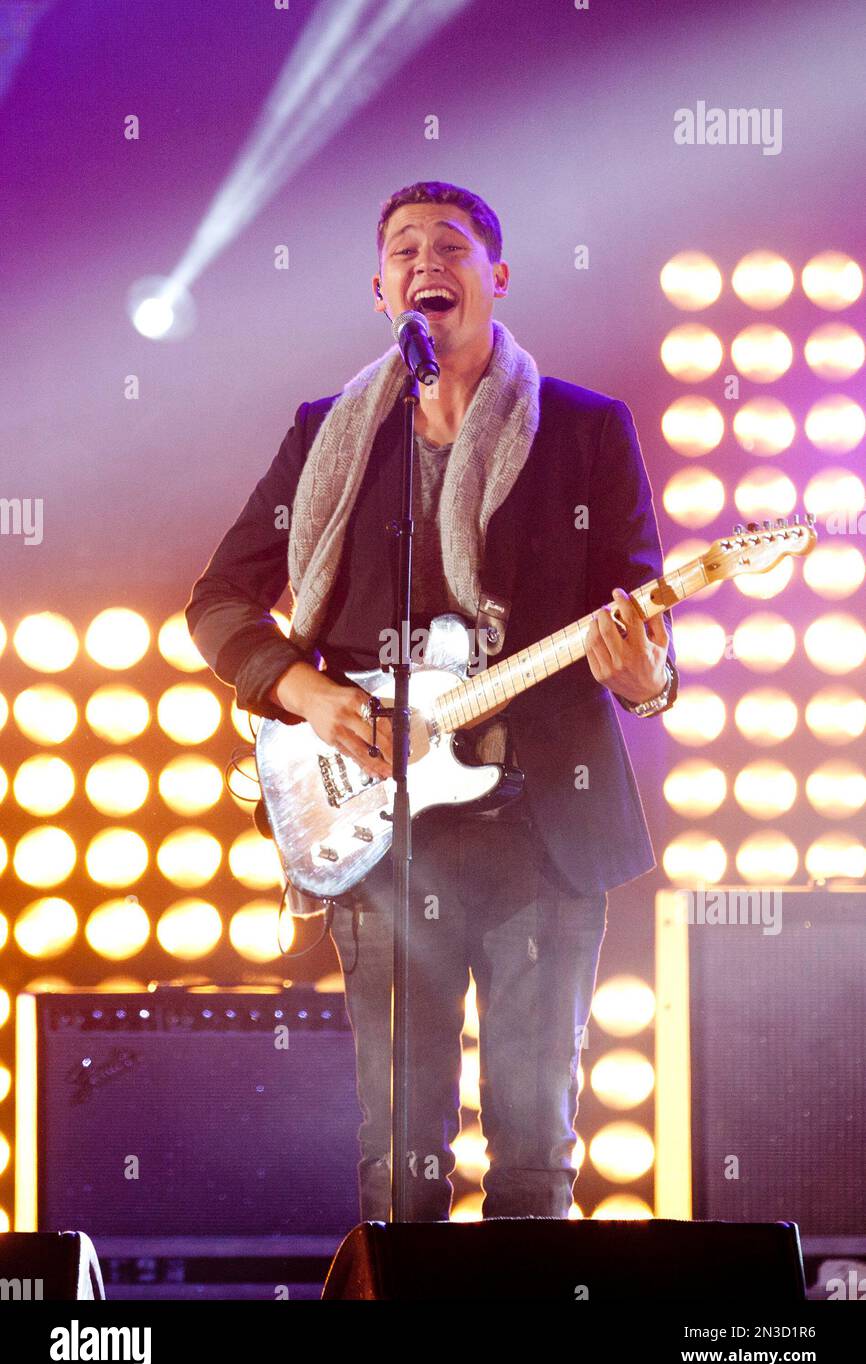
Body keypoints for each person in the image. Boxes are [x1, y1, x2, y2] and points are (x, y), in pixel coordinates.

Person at [186, 179, 678, 1222]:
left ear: (494, 278)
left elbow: (638, 617)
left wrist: (648, 680)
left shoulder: (585, 430)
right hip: (382, 836)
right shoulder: (330, 434)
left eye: (449, 247)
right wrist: (311, 695)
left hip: (542, 830)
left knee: (534, 1147)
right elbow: (220, 603)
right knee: (400, 1157)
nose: (425, 263)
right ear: (378, 290)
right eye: (402, 249)